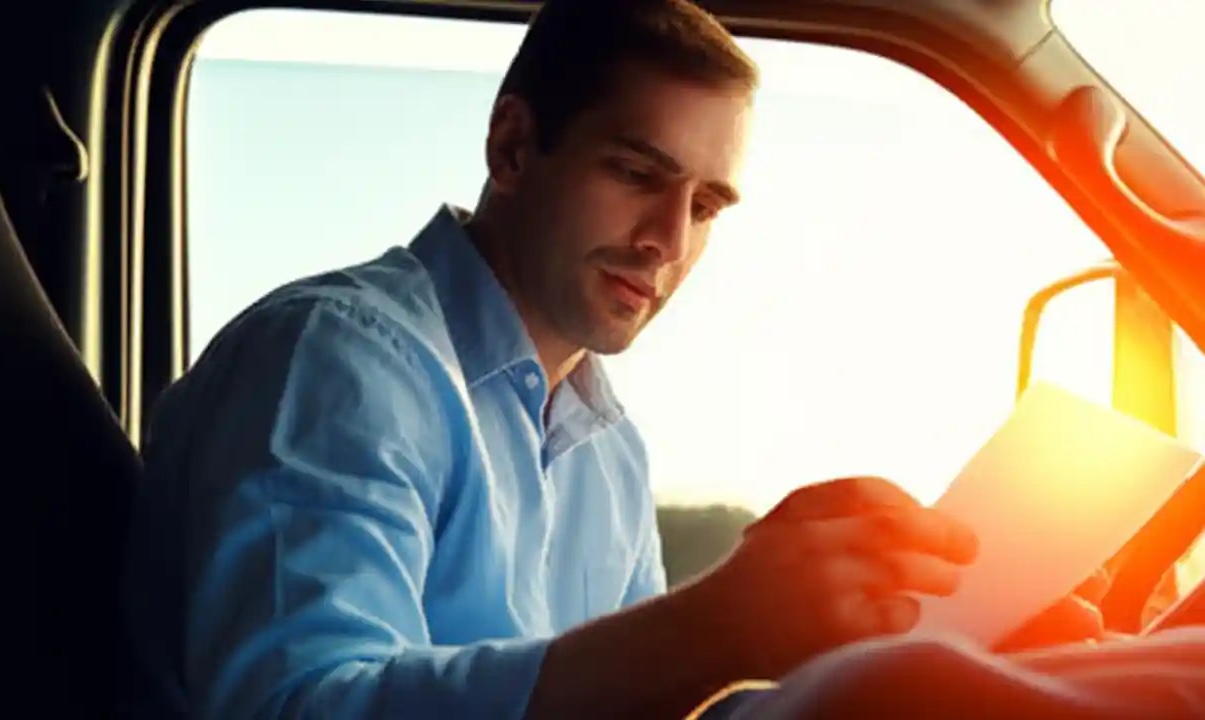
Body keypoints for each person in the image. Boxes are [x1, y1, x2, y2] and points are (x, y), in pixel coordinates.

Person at [119, 1, 1103, 718]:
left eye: (706, 205)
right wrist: (714, 623)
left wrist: (910, 658)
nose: (666, 241)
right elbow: (299, 709)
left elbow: (638, 700)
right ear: (512, 147)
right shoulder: (339, 362)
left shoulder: (603, 441)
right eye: (637, 174)